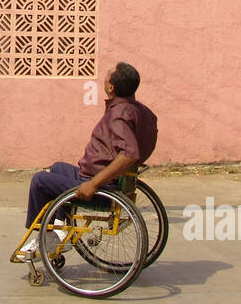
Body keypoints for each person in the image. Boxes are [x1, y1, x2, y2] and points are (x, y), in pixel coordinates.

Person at [25, 61, 158, 230]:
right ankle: (60, 226)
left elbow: (130, 154)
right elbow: (145, 142)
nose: (104, 79)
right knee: (58, 168)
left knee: (40, 181)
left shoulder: (119, 115)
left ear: (111, 88)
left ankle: (42, 235)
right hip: (103, 177)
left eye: (107, 77)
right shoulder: (140, 110)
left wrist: (94, 183)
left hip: (103, 188)